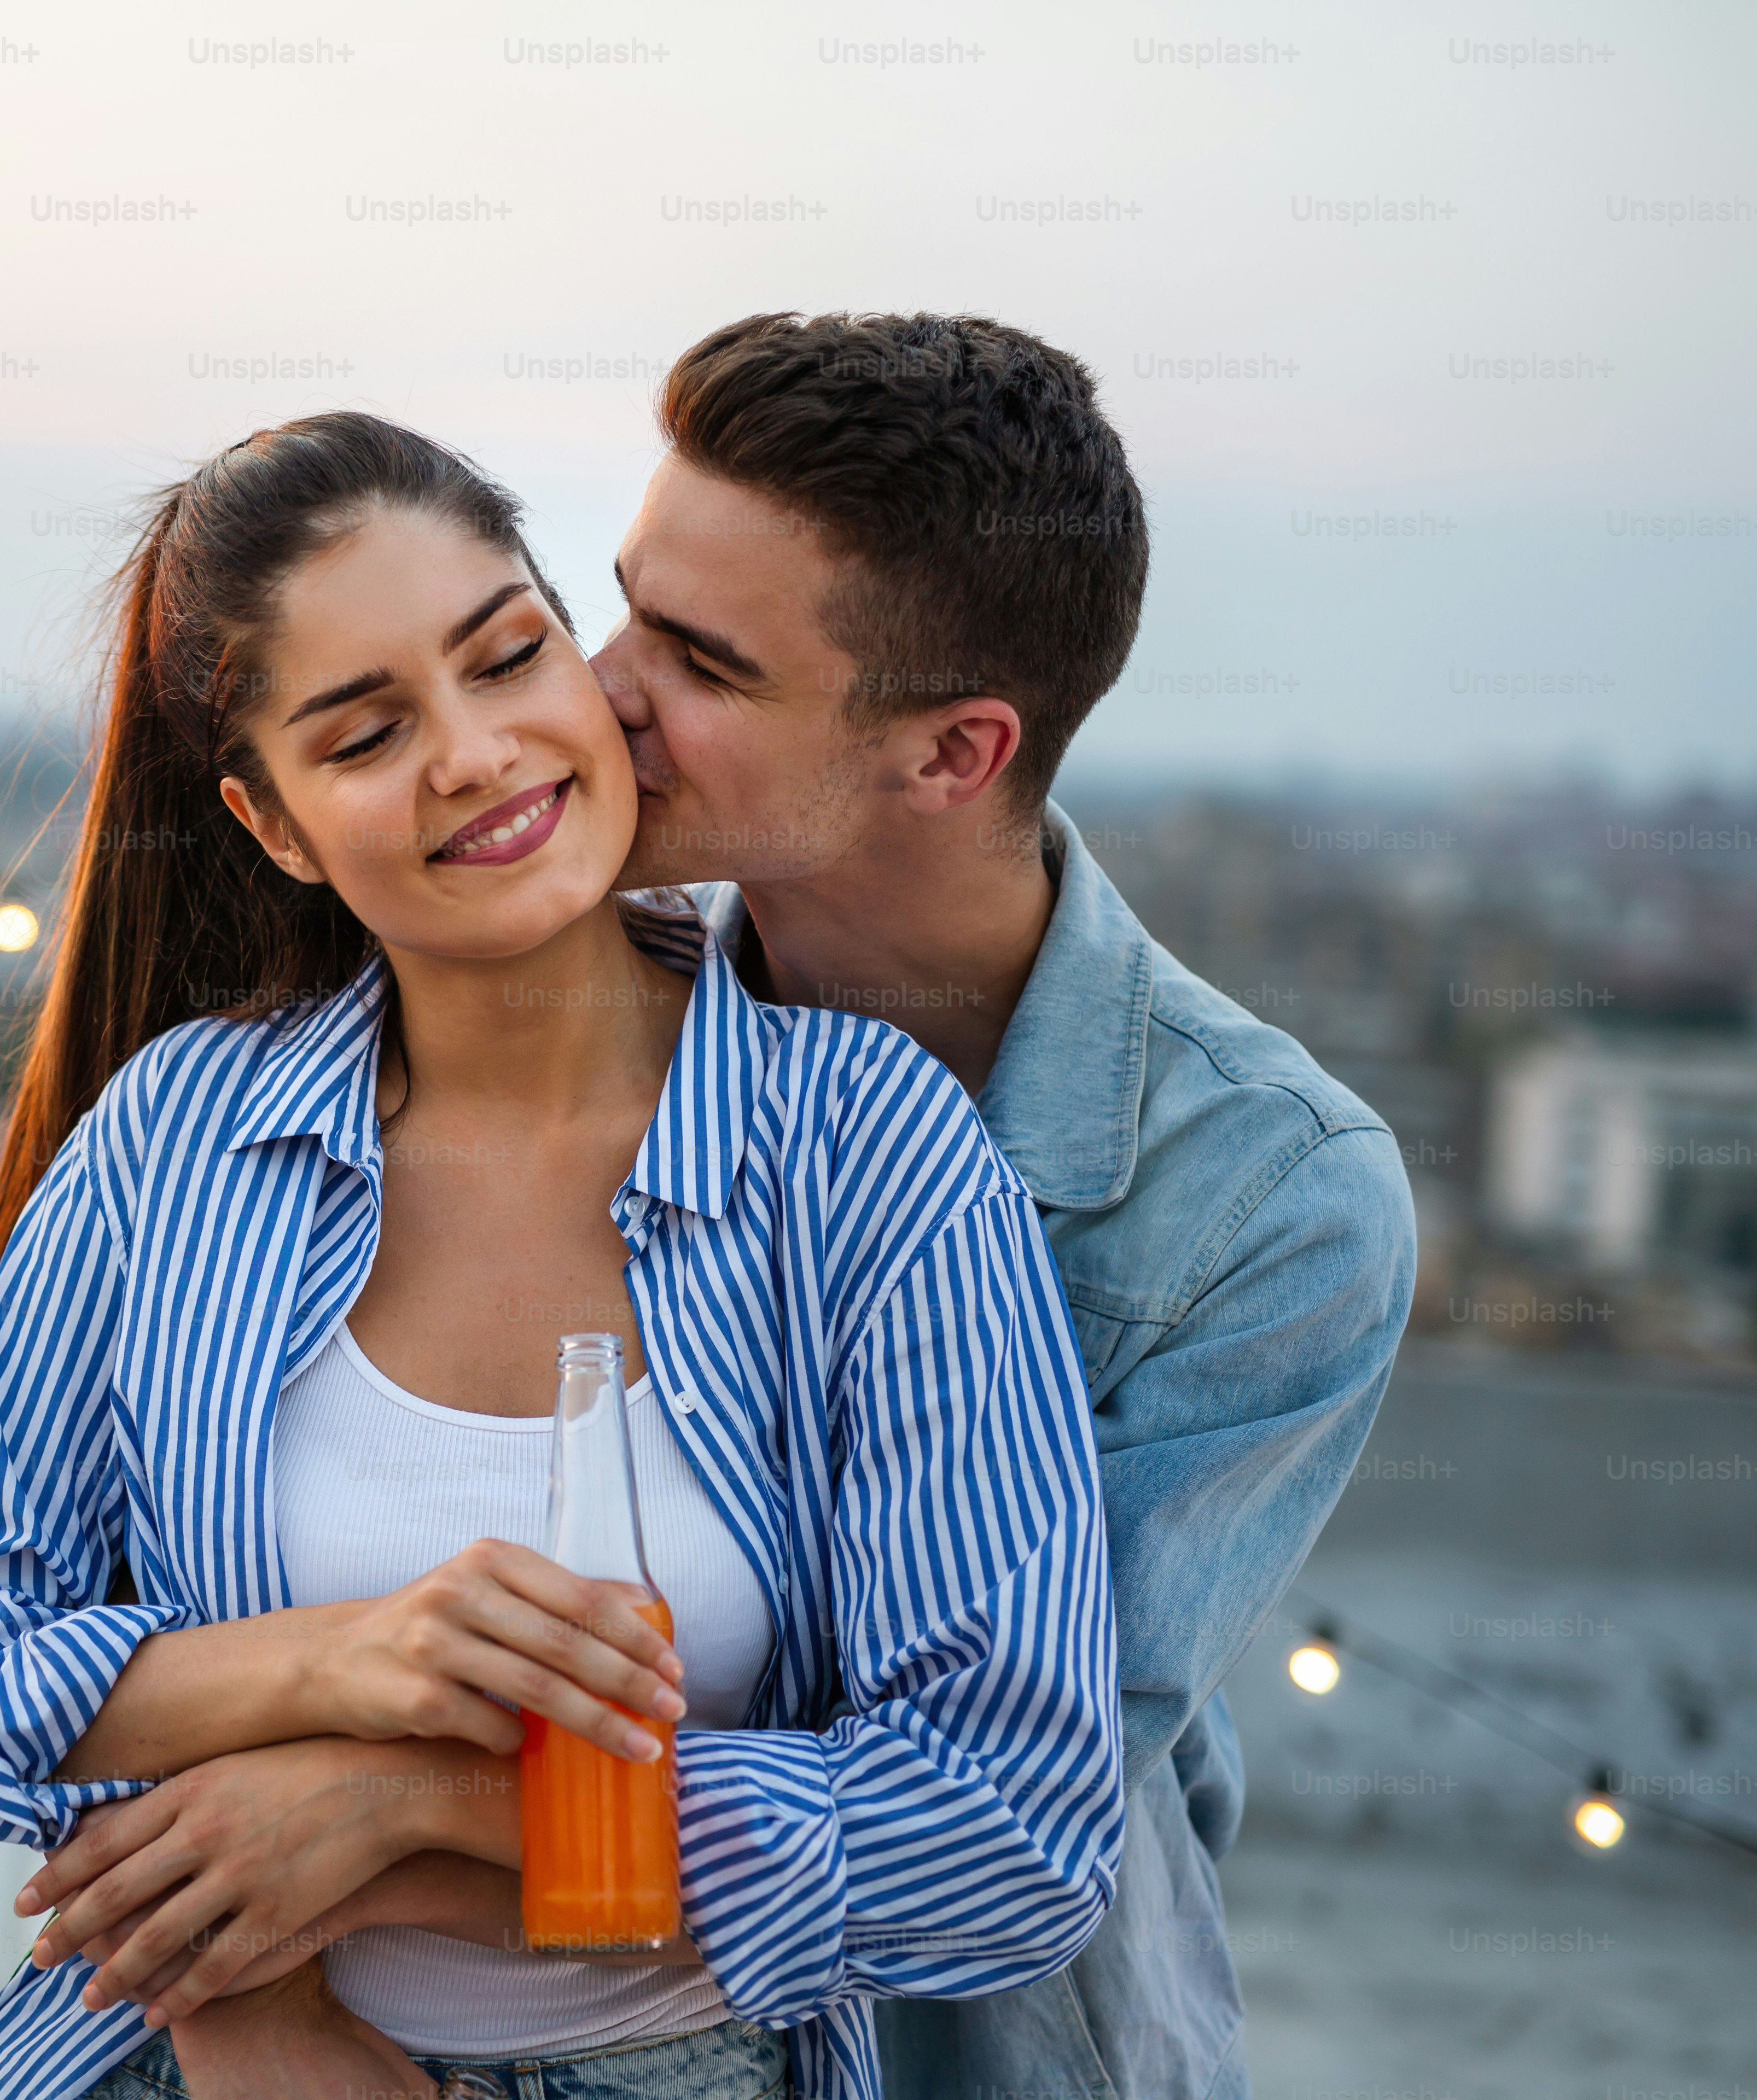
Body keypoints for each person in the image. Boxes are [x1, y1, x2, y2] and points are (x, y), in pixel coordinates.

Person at [0, 410, 1121, 2100]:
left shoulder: (867, 1153)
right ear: (274, 826)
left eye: (507, 658)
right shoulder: (178, 1145)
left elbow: (1008, 1830)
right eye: (363, 738)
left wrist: (406, 1809)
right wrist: (342, 1665)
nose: (477, 756)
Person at [595, 313, 1416, 2099]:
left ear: (956, 755)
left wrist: (388, 1792)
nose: (596, 688)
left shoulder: (1271, 1197)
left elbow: (984, 1795)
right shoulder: (532, 1018)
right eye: (625, 607)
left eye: (701, 664)